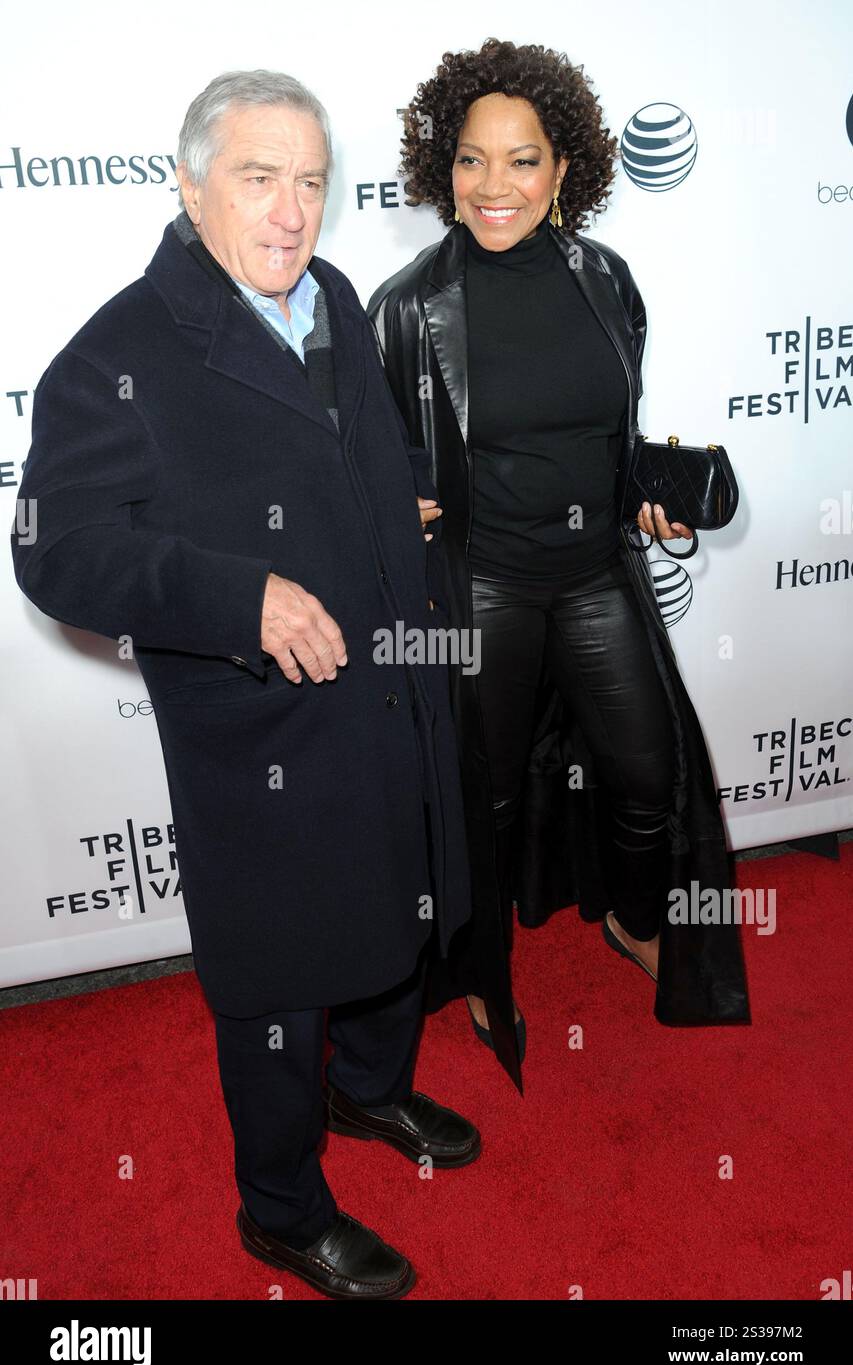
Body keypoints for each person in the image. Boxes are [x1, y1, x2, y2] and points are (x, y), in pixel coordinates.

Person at [10, 68, 479, 1301]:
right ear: (188, 182)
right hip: (260, 729)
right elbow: (53, 546)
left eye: (311, 182)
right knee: (281, 971)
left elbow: (340, 454)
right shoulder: (118, 350)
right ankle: (279, 1204)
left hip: (389, 685)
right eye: (258, 178)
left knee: (401, 908)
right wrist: (239, 599)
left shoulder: (324, 293)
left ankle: (370, 1090)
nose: (290, 212)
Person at [367, 38, 750, 1092]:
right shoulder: (404, 306)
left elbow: (605, 434)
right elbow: (372, 468)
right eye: (472, 160)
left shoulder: (603, 278)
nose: (496, 186)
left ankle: (632, 919)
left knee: (648, 769)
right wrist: (395, 504)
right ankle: (483, 970)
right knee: (478, 798)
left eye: (522, 159)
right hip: (481, 581)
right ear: (440, 168)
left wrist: (648, 499)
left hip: (593, 571)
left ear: (564, 167)